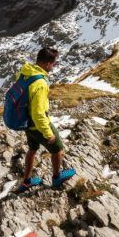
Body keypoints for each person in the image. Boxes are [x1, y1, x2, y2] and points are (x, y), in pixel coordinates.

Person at [15, 47, 76, 193]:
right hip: (37, 125)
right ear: (48, 63)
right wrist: (48, 134)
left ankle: (27, 182)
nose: (53, 67)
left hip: (26, 122)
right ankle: (56, 177)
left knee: (32, 149)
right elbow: (38, 113)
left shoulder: (25, 72)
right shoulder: (41, 84)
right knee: (58, 149)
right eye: (53, 64)